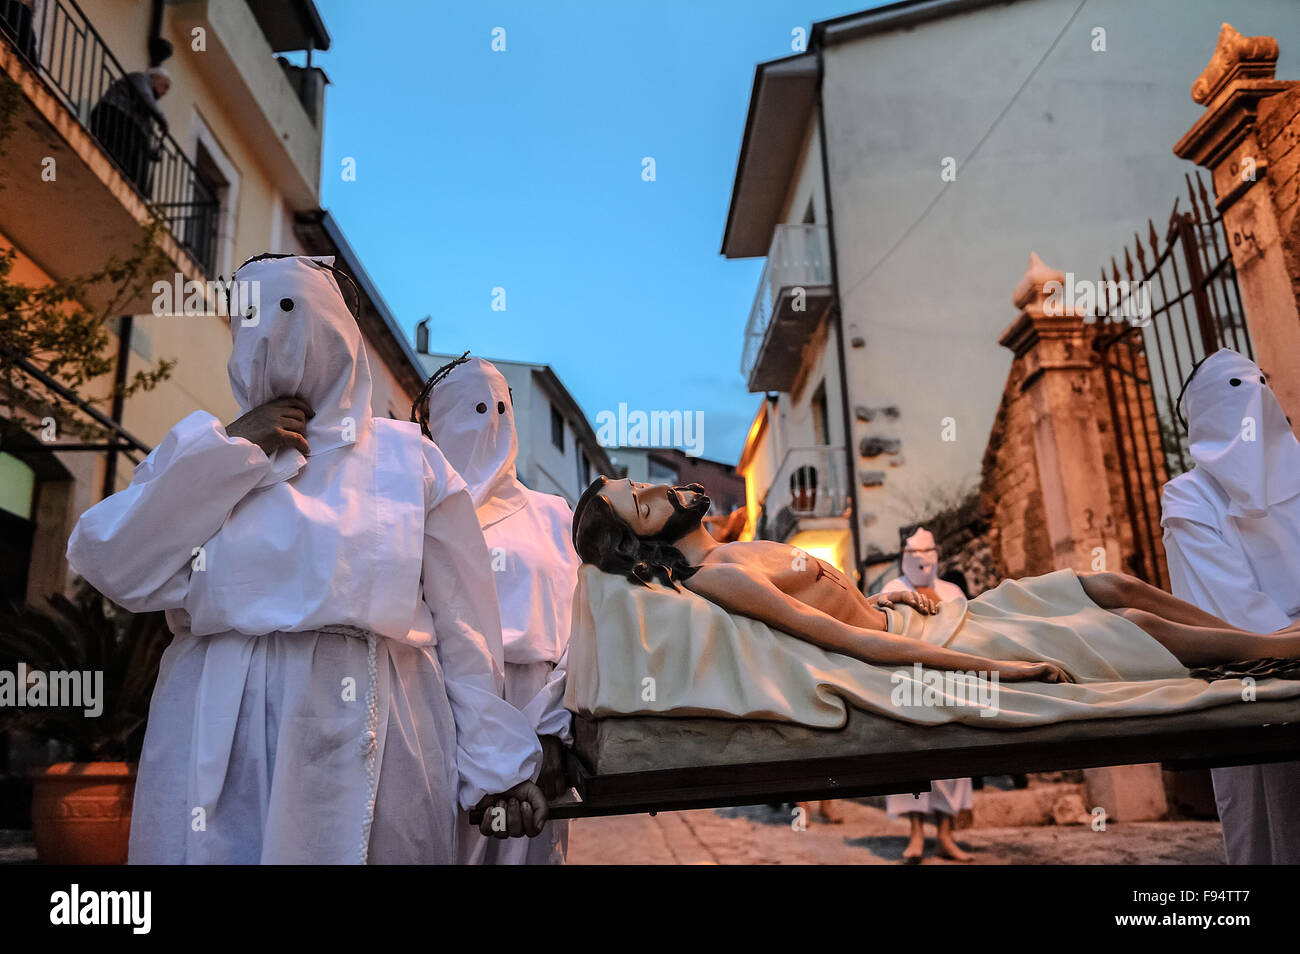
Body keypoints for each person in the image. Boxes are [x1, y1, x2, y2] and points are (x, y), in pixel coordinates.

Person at [66, 255, 546, 863]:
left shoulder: (410, 461)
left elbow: (465, 628)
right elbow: (115, 560)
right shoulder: (202, 450)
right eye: (255, 316)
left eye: (297, 311)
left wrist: (497, 767)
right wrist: (237, 448)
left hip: (383, 728)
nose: (277, 336)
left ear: (339, 330)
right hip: (222, 727)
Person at [571, 477, 1300, 690]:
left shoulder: (737, 547)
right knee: (1121, 629)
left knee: (1097, 584)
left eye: (641, 481)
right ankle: (1281, 652)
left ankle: (1262, 641)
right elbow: (842, 638)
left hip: (916, 616)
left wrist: (882, 597)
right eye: (643, 503)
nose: (659, 488)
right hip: (929, 639)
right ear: (643, 538)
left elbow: (844, 602)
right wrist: (995, 670)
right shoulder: (716, 578)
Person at [419, 355, 579, 865]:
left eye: (499, 406)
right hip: (448, 708)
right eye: (470, 408)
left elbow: (584, 630)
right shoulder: (421, 513)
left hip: (539, 704)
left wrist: (555, 729)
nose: (488, 421)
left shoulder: (553, 515)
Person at [1161, 348, 1300, 865]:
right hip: (1257, 690)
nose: (1254, 395)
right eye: (1235, 389)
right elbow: (1228, 618)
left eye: (1258, 382)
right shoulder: (1190, 499)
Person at [881, 527, 973, 863]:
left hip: (950, 683)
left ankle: (946, 836)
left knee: (953, 759)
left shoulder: (952, 592)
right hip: (909, 681)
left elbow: (969, 632)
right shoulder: (892, 590)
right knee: (912, 759)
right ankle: (916, 835)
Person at [89, 66, 171, 195]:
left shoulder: (149, 106)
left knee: (136, 163)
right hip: (114, 115)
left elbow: (143, 131)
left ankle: (140, 195)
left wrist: (149, 152)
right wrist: (162, 119)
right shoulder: (141, 78)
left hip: (125, 126)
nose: (165, 92)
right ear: (154, 77)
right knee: (123, 146)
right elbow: (144, 96)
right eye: (165, 85)